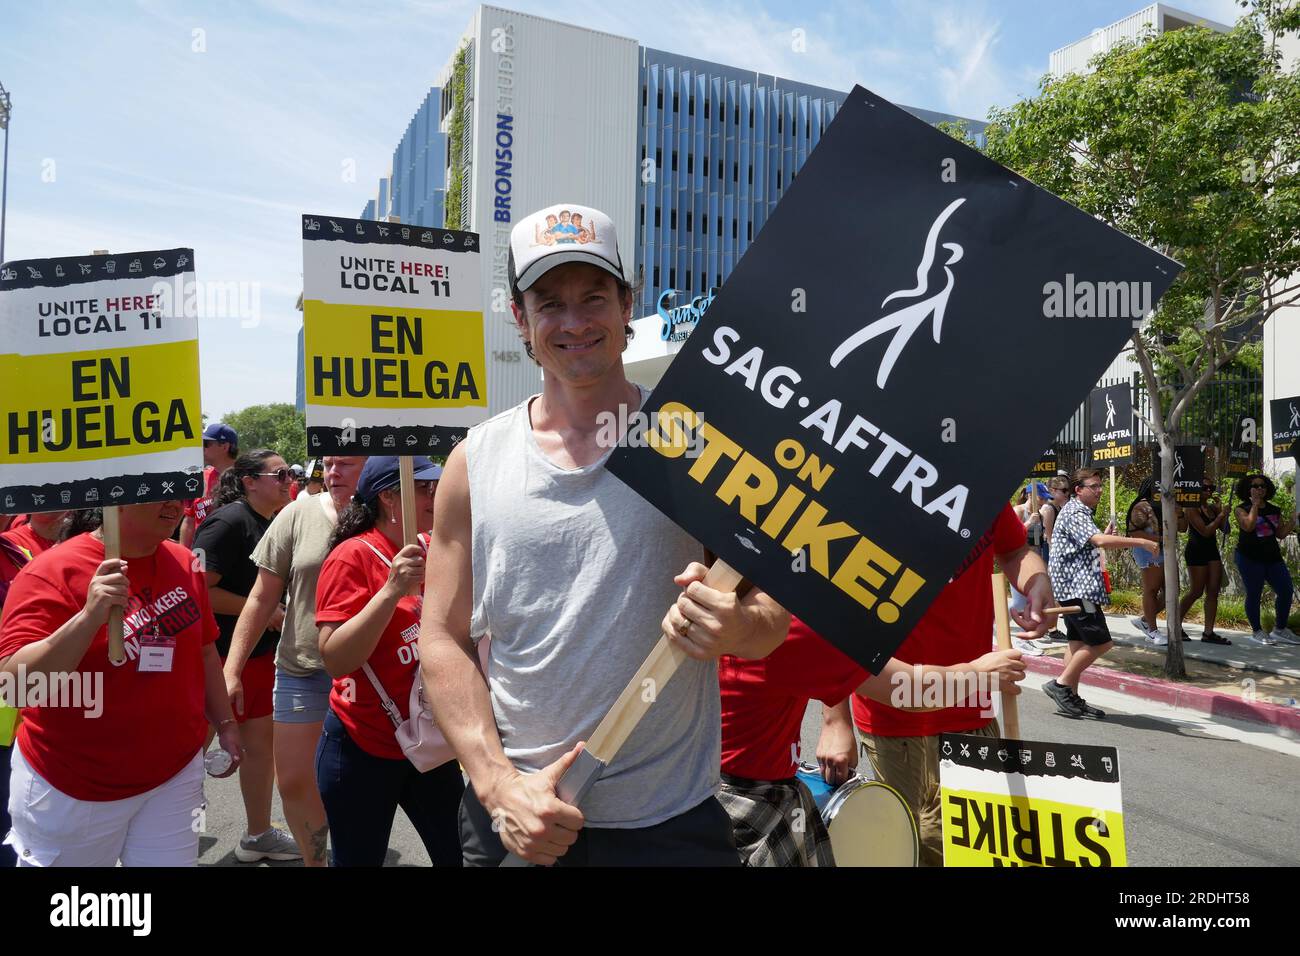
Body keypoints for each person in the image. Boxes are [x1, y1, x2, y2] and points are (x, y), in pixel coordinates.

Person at [419, 202, 790, 867]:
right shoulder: (473, 463)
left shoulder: (698, 446)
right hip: (517, 820)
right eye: (549, 302)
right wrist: (498, 785)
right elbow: (442, 637)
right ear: (519, 318)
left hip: (669, 827)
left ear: (628, 303)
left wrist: (733, 629)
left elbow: (770, 616)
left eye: (593, 297)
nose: (574, 322)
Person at [0, 500, 241, 866]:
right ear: (117, 496)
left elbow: (204, 651)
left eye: (178, 489)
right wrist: (88, 618)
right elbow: (14, 687)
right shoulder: (51, 571)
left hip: (173, 777)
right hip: (74, 788)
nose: (174, 501)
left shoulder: (184, 561)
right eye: (157, 489)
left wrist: (225, 723)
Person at [718, 605, 1027, 867]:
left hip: (701, 795)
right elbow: (909, 689)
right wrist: (978, 673)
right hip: (754, 802)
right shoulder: (781, 630)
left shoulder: (696, 610)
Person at [847, 501, 1053, 867]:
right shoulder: (869, 478)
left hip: (971, 710)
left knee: (976, 854)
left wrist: (1036, 582)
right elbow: (824, 608)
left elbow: (1015, 549)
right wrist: (835, 721)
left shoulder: (980, 483)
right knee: (907, 847)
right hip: (890, 716)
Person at [314, 456, 463, 866]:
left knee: (462, 855)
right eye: (423, 487)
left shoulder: (432, 545)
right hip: (362, 746)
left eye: (435, 486)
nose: (434, 495)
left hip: (427, 742)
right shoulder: (352, 557)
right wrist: (392, 590)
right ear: (389, 497)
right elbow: (335, 659)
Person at [225, 455, 366, 866]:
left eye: (348, 464)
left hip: (370, 673)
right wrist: (232, 668)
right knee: (294, 783)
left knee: (361, 785)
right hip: (302, 671)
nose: (333, 473)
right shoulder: (297, 513)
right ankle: (315, 862)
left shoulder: (392, 514)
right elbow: (261, 597)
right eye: (329, 463)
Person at [193, 449, 300, 863]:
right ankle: (158, 837)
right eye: (279, 473)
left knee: (259, 749)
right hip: (217, 661)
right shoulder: (228, 522)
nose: (287, 479)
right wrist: (262, 610)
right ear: (249, 480)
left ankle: (258, 835)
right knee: (187, 755)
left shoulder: (276, 520)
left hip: (260, 658)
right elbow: (198, 590)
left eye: (288, 472)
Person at [1044, 468, 1160, 720]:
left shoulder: (1079, 512)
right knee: (1101, 642)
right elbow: (1099, 543)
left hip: (1073, 587)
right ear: (1078, 490)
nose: (1099, 490)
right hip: (1078, 588)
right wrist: (1142, 542)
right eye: (1094, 486)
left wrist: (1103, 537)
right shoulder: (1075, 511)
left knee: (1077, 644)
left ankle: (1070, 697)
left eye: (1099, 486)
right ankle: (1061, 685)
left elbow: (1092, 542)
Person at [1232, 474, 1297, 646]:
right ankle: (1257, 631)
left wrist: (1293, 520)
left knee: (1285, 590)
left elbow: (1281, 534)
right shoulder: (1241, 509)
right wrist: (1254, 505)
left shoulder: (1274, 509)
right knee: (1254, 593)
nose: (1260, 489)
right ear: (1248, 488)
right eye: (1256, 486)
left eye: (1263, 486)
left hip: (1272, 557)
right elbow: (1249, 526)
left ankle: (1280, 629)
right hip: (1249, 557)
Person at [1180, 476, 1230, 644]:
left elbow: (1225, 530)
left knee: (1213, 591)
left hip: (1211, 550)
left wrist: (1221, 512)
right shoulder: (1191, 508)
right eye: (1205, 488)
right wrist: (1220, 515)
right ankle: (1175, 625)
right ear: (1196, 489)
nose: (1209, 491)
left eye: (1211, 488)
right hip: (1196, 551)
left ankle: (1208, 632)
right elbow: (1205, 531)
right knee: (1196, 591)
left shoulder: (1211, 508)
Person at [180, 422, 239, 549]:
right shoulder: (200, 478)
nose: (202, 448)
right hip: (201, 555)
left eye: (206, 444)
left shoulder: (246, 479)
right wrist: (184, 555)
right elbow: (189, 520)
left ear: (224, 446)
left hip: (233, 553)